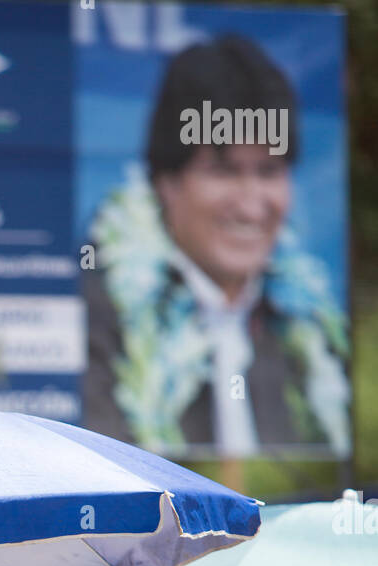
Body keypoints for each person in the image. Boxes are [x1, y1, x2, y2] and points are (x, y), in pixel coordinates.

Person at [85, 34, 349, 458]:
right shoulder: (96, 317)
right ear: (166, 182)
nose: (250, 205)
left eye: (269, 171)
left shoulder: (306, 329)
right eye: (224, 171)